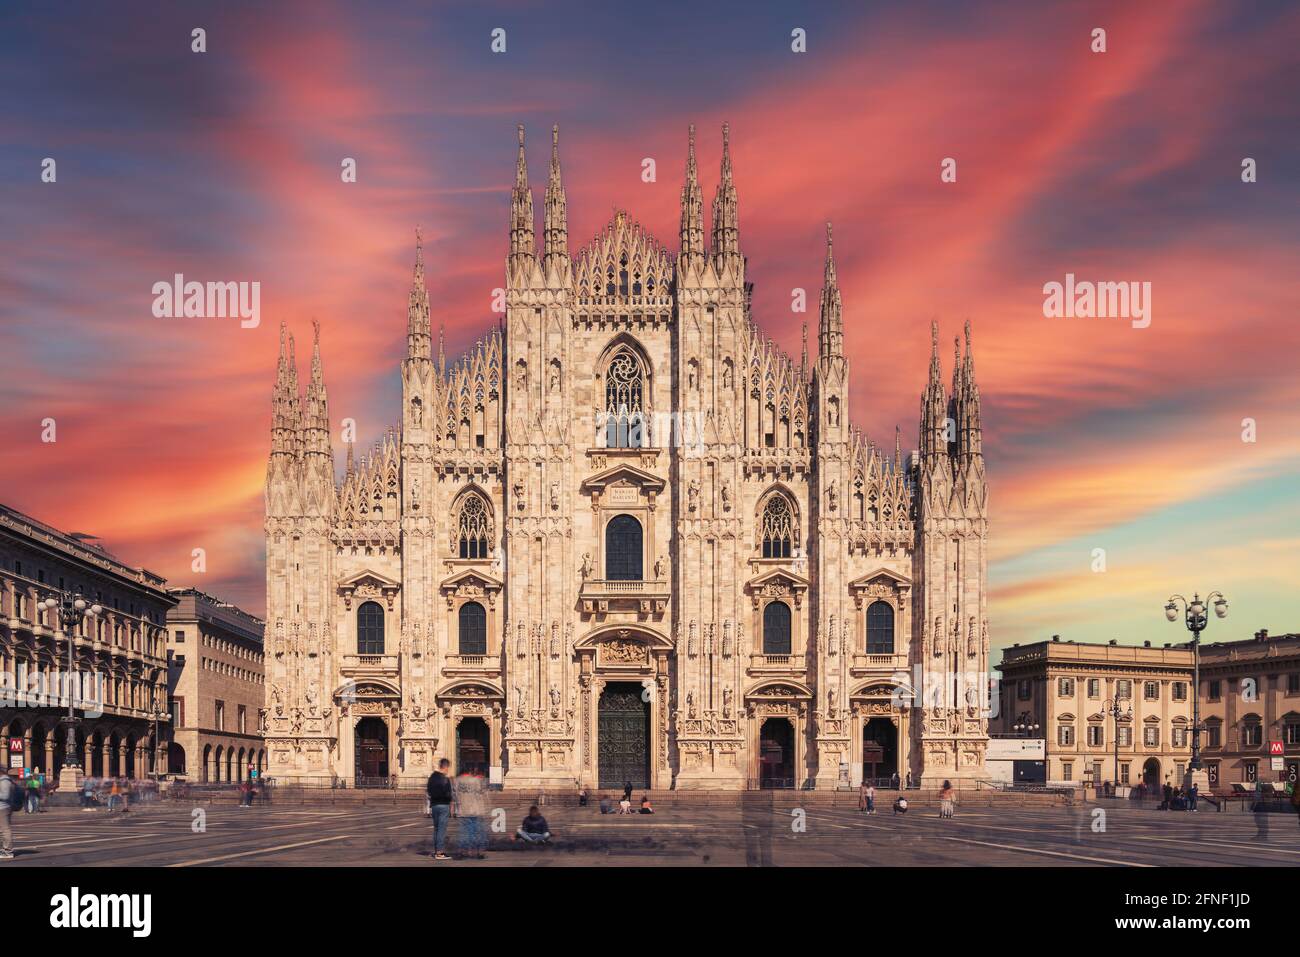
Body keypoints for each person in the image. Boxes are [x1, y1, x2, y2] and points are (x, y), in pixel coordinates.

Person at [453, 766, 489, 859]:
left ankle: (462, 852)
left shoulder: (457, 781)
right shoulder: (475, 780)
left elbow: (455, 795)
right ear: (470, 771)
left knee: (464, 833)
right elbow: (481, 793)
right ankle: (477, 852)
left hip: (462, 810)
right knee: (476, 832)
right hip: (475, 810)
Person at [426, 758, 453, 860]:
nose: (448, 770)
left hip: (434, 805)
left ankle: (437, 850)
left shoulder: (432, 777)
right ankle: (439, 853)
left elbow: (428, 790)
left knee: (436, 829)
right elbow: (448, 793)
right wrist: (449, 802)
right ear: (445, 767)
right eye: (448, 768)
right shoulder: (445, 779)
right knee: (441, 830)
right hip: (443, 805)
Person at [0, 771, 18, 860]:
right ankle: (5, 849)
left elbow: (5, 796)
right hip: (4, 807)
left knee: (5, 829)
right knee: (3, 829)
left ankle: (8, 851)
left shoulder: (4, 781)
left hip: (3, 808)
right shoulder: (3, 780)